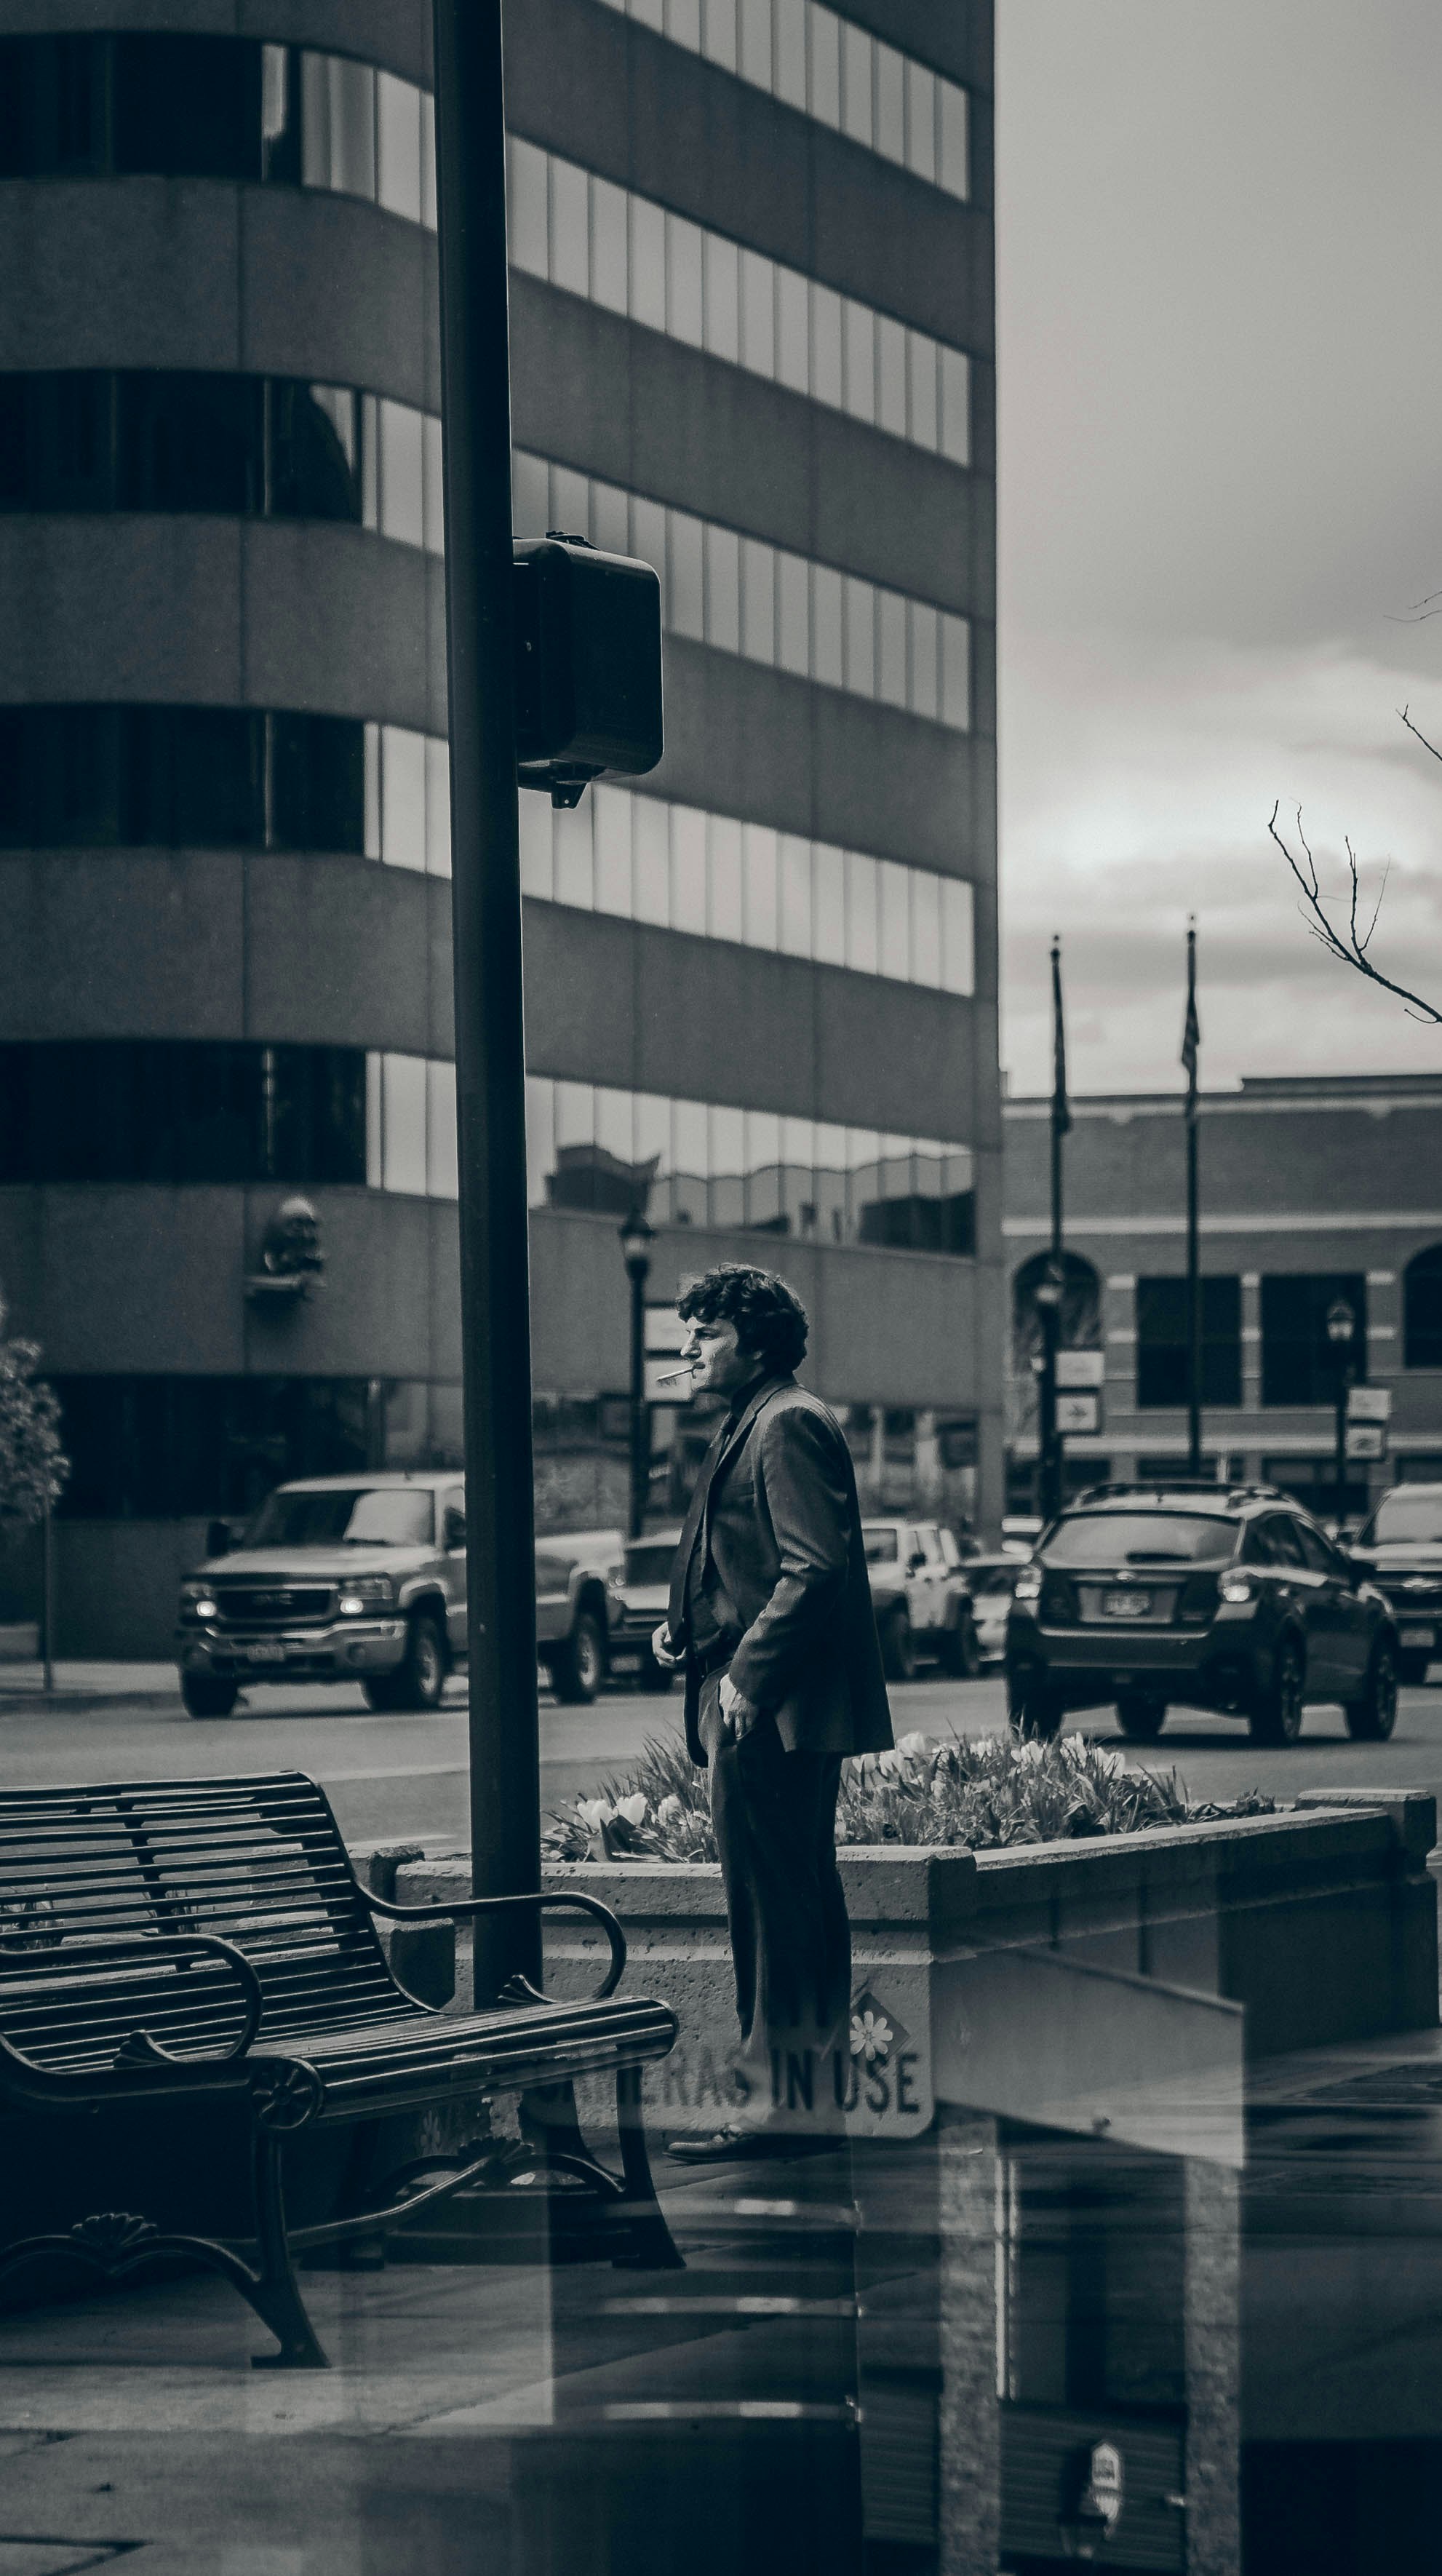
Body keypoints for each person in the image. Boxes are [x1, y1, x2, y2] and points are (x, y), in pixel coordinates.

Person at [652, 1263, 893, 2159]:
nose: (687, 1349)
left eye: (705, 1334)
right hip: (750, 1699)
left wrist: (747, 1678)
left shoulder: (785, 1421)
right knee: (785, 1899)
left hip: (767, 1711)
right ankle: (804, 2102)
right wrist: (682, 1633)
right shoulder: (751, 1421)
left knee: (774, 1905)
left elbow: (814, 1568)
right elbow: (748, 1564)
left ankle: (778, 2109)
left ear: (755, 1344)